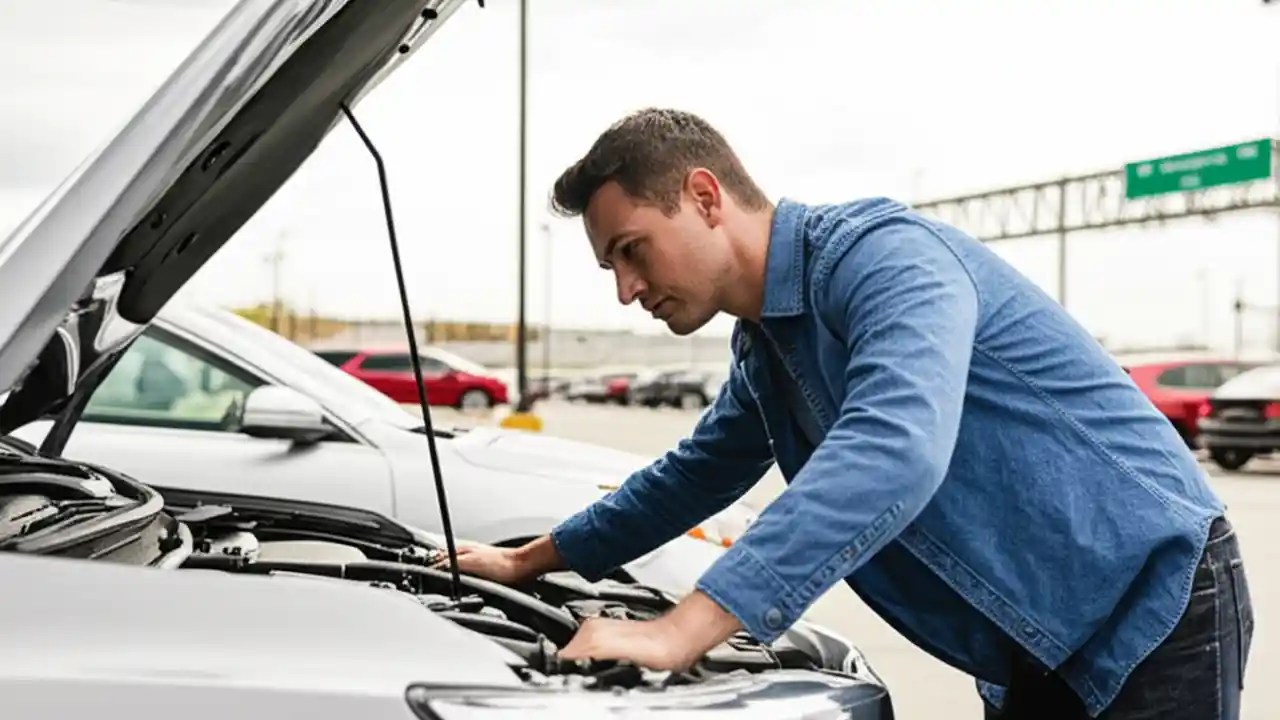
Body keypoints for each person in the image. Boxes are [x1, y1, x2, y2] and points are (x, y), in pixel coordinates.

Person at [437, 108, 1254, 718]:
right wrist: (528, 561)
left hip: (1151, 603)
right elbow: (692, 477)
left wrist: (684, 629)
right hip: (1036, 638)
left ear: (704, 196)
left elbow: (893, 447)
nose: (625, 288)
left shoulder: (884, 258)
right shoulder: (766, 347)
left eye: (631, 249)